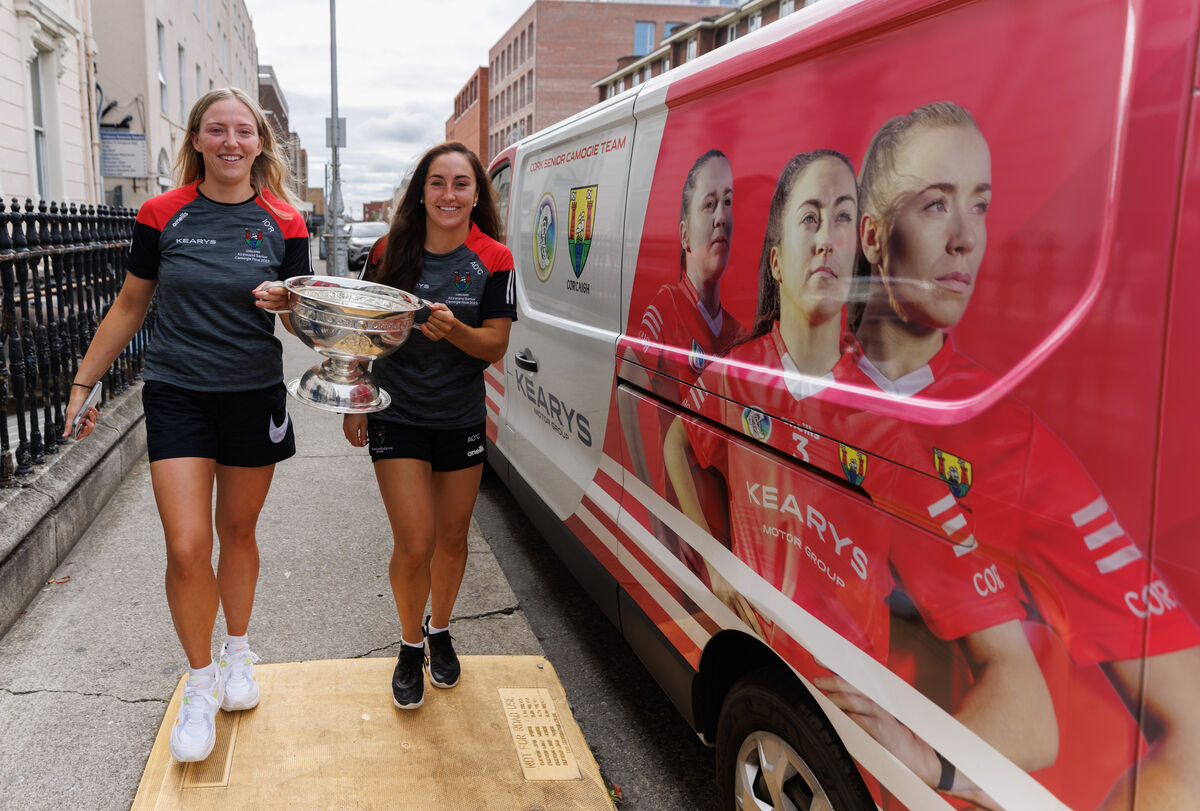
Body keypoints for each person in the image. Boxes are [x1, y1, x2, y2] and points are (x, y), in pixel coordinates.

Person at [663, 149, 1056, 807]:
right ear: (777, 260)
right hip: (752, 657)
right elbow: (679, 439)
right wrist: (715, 558)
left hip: (837, 724)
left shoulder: (887, 431)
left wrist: (932, 761)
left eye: (843, 217)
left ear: (856, 258)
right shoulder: (739, 375)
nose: (827, 237)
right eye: (810, 217)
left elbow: (1031, 709)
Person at [847, 100, 1200, 808]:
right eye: (937, 204)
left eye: (979, 206)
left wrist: (934, 771)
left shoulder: (1015, 444)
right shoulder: (800, 373)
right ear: (874, 236)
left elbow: (1192, 731)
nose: (966, 238)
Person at [63, 88, 311, 763]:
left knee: (238, 532)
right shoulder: (162, 213)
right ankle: (200, 682)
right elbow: (130, 303)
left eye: (244, 131)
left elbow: (304, 323)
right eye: (217, 130)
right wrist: (84, 383)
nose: (232, 142)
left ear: (259, 143)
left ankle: (238, 654)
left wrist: (289, 303)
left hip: (252, 394)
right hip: (178, 392)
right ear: (197, 139)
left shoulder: (285, 221)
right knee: (185, 545)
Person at [346, 142, 515, 710]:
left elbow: (494, 345)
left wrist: (455, 331)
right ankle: (409, 643)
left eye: (461, 184)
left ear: (476, 194)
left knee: (452, 538)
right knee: (415, 541)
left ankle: (440, 630)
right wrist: (355, 398)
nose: (448, 194)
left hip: (459, 416)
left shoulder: (494, 258)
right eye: (437, 182)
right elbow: (360, 327)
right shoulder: (388, 251)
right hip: (396, 412)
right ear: (421, 191)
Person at [619, 149, 745, 575]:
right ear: (685, 234)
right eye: (709, 204)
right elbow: (626, 392)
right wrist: (653, 510)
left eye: (728, 202)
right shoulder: (667, 306)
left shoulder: (740, 334)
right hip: (688, 540)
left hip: (735, 542)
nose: (721, 216)